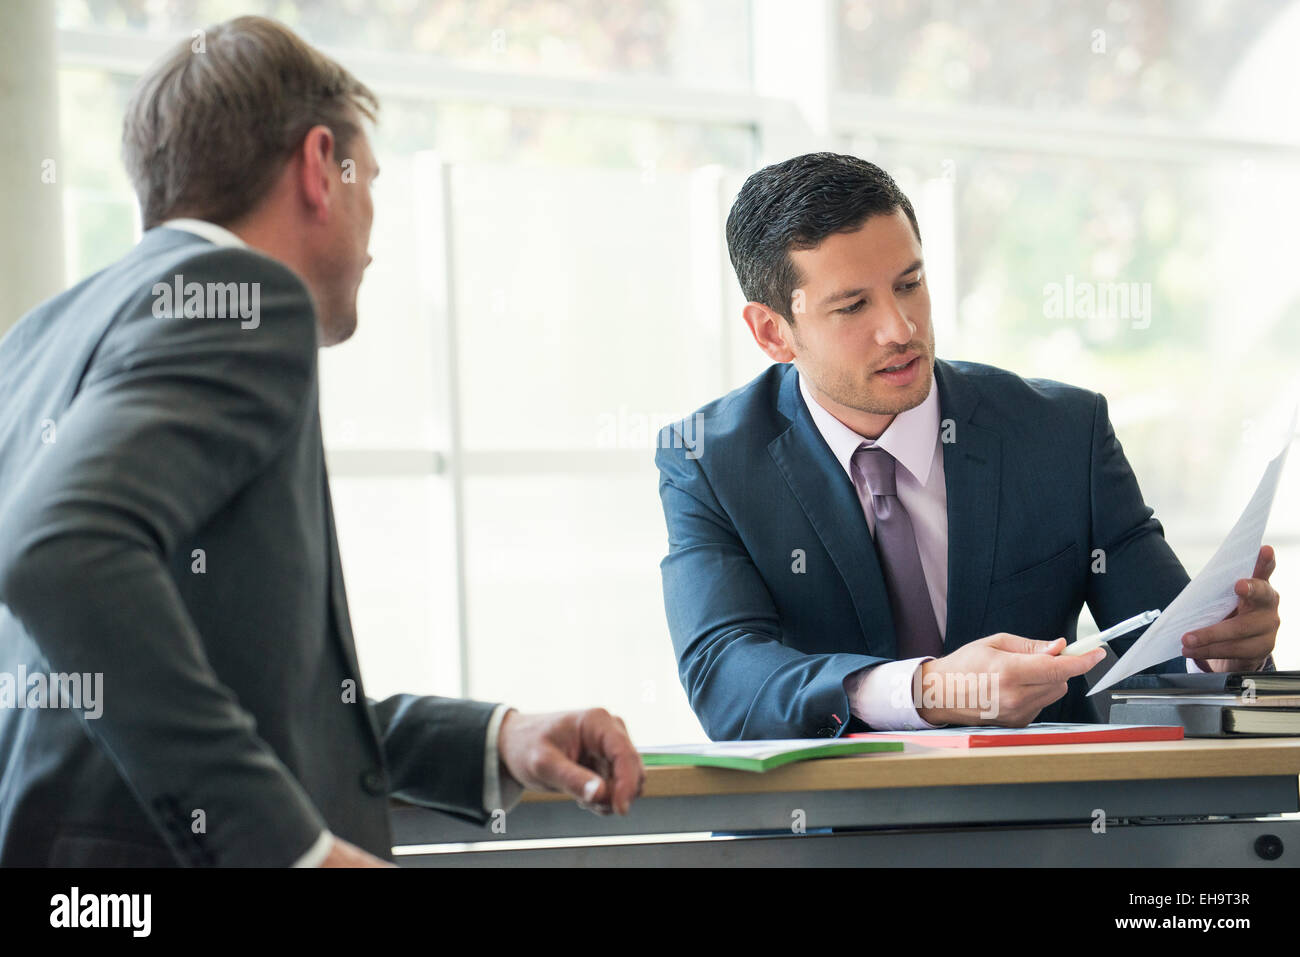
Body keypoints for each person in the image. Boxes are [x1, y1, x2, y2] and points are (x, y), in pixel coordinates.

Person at [0, 15, 642, 867]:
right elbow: (57, 552)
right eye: (368, 180)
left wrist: (498, 738)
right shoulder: (246, 295)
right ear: (318, 168)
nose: (373, 236)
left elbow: (233, 701)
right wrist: (296, 852)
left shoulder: (38, 335)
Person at [655, 152, 1279, 740]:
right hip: (824, 839)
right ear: (772, 332)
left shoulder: (1063, 433)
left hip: (1044, 833)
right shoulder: (709, 462)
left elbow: (1169, 659)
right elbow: (726, 678)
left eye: (909, 284)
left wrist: (1217, 658)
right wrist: (927, 690)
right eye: (852, 306)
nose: (900, 330)